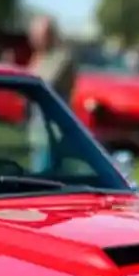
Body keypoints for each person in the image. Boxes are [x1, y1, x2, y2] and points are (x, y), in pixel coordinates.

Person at [27, 15, 78, 172]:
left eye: (38, 34)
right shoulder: (39, 58)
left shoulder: (62, 58)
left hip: (53, 132)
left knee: (47, 175)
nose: (33, 38)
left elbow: (45, 84)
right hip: (37, 129)